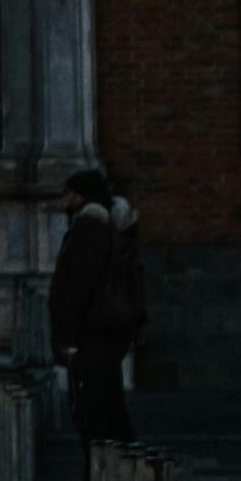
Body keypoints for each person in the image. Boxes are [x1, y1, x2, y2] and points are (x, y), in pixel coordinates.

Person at [50, 169, 149, 451]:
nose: (65, 200)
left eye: (69, 193)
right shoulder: (112, 228)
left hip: (89, 336)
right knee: (110, 409)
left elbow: (78, 287)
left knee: (92, 415)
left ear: (80, 196)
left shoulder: (89, 227)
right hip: (106, 333)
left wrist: (65, 338)